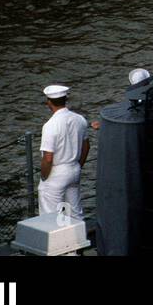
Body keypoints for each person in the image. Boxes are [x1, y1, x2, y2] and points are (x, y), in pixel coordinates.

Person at [39, 84, 90, 218]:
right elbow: (86, 146)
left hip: (56, 173)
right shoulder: (80, 119)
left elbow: (48, 157)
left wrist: (44, 177)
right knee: (75, 213)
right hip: (74, 169)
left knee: (50, 216)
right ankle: (79, 238)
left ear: (49, 102)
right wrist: (78, 165)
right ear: (65, 99)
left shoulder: (50, 125)